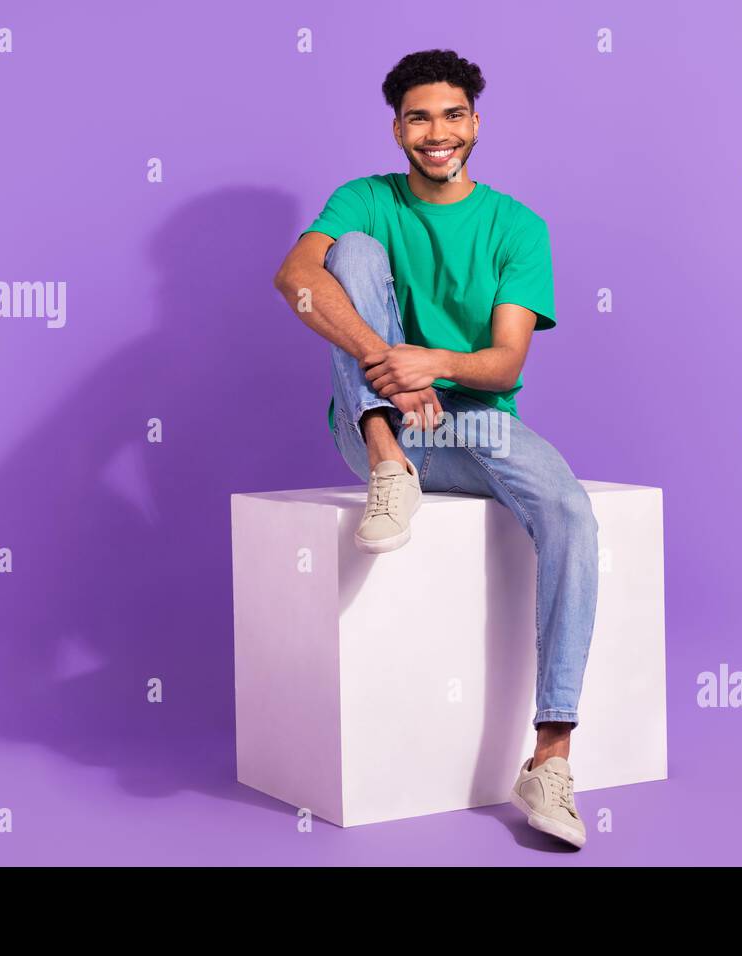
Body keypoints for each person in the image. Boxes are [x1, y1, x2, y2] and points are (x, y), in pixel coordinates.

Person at [272, 49, 598, 849]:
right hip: (378, 424)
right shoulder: (366, 199)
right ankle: (390, 468)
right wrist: (388, 372)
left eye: (453, 115)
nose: (437, 131)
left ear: (475, 124)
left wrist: (434, 365)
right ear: (397, 129)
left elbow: (505, 363)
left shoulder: (517, 226)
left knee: (569, 510)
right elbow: (296, 280)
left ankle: (550, 757)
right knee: (345, 255)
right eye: (419, 117)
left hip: (473, 423)